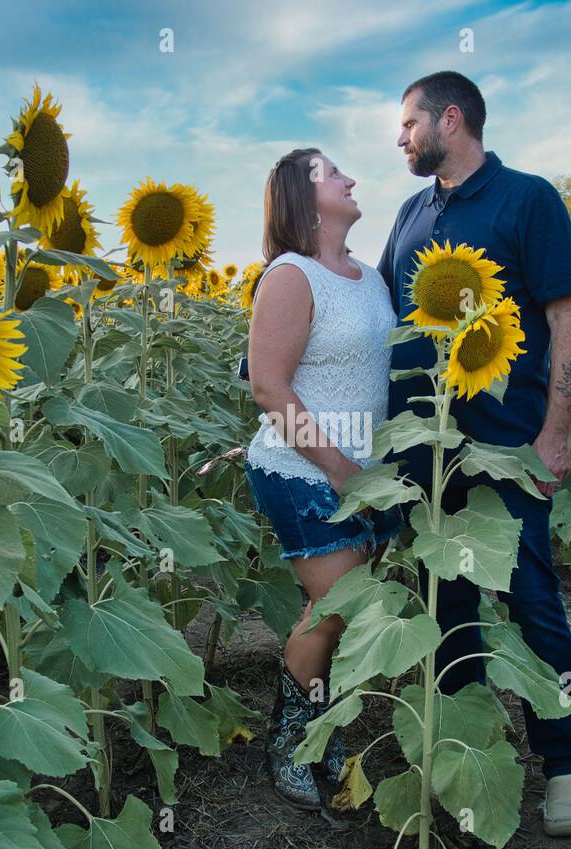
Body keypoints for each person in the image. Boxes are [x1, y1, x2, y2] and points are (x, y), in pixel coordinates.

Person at [377, 71, 571, 836]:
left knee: (529, 593)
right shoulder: (410, 213)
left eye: (408, 123)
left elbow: (567, 319)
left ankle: (565, 761)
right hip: (423, 449)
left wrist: (555, 432)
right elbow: (386, 319)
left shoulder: (529, 198)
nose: (400, 138)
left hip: (506, 444)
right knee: (449, 605)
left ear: (452, 117)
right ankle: (467, 748)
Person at [245, 147, 402, 811]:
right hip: (302, 469)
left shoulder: (369, 278)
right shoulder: (289, 275)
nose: (351, 178)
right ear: (303, 197)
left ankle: (321, 728)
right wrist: (339, 469)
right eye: (333, 172)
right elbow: (268, 387)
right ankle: (291, 739)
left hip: (366, 474)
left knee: (343, 613)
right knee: (337, 609)